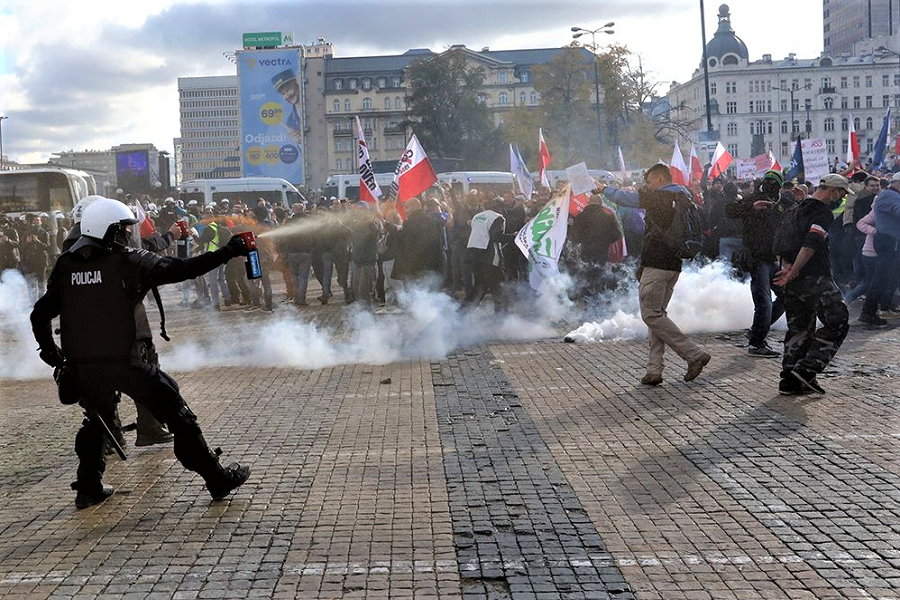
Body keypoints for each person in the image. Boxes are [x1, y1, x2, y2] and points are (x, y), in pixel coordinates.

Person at [30, 198, 251, 509]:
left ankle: (89, 486)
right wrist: (229, 251)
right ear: (109, 231)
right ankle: (216, 478)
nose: (126, 235)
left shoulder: (66, 265)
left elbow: (39, 314)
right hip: (127, 362)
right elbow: (184, 269)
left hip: (85, 367)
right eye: (122, 229)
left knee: (96, 421)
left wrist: (52, 354)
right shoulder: (128, 262)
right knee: (177, 412)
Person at [599, 164, 711, 386]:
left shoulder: (661, 197)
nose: (647, 186)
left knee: (651, 316)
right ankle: (654, 370)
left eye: (649, 182)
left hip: (657, 263)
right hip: (673, 264)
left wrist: (604, 189)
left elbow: (627, 198)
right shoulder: (683, 196)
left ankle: (693, 354)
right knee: (657, 315)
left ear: (660, 179)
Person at [772, 174, 851, 395]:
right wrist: (795, 269)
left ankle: (790, 380)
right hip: (814, 276)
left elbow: (779, 241)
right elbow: (811, 243)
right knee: (839, 320)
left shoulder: (796, 209)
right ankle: (807, 370)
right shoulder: (822, 213)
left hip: (793, 280)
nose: (842, 197)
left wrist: (788, 267)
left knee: (799, 328)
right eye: (842, 192)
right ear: (832, 190)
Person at [725, 170, 794, 357]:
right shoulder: (753, 199)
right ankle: (756, 344)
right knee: (763, 302)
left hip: (775, 259)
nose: (770, 184)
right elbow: (729, 210)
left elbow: (796, 217)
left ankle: (757, 331)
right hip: (757, 258)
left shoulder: (783, 203)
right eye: (767, 181)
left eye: (774, 181)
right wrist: (751, 207)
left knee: (786, 296)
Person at [858, 171, 900, 325]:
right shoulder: (891, 196)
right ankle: (868, 312)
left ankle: (877, 309)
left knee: (886, 277)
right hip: (889, 241)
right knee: (880, 278)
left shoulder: (890, 195)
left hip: (889, 240)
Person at [569, 194, 624, 298]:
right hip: (602, 251)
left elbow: (574, 236)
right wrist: (606, 241)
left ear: (589, 203)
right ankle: (599, 296)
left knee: (586, 273)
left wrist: (581, 242)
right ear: (600, 203)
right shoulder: (608, 216)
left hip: (586, 250)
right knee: (600, 274)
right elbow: (617, 235)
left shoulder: (580, 216)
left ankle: (587, 296)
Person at [465, 197, 507, 311]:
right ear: (499, 208)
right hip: (489, 257)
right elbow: (496, 237)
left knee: (479, 287)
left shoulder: (477, 217)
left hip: (474, 254)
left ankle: (462, 314)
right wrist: (513, 237)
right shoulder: (497, 218)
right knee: (498, 287)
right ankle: (502, 317)